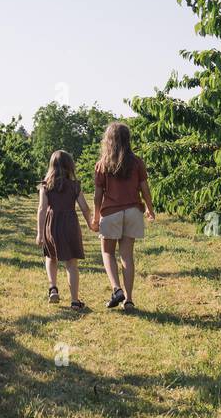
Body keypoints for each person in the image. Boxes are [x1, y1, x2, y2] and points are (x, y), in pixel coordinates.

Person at [92, 123, 155, 311]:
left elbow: (97, 195)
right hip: (133, 211)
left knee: (108, 253)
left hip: (111, 212)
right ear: (128, 140)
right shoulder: (137, 162)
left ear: (108, 140)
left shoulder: (102, 164)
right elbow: (145, 189)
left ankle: (116, 289)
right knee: (127, 256)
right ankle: (128, 300)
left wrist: (96, 217)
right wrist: (150, 209)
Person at [36, 150, 97, 310]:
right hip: (70, 223)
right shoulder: (75, 186)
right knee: (71, 264)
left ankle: (53, 288)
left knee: (51, 256)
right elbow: (85, 207)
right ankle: (75, 301)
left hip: (52, 223)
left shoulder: (45, 186)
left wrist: (40, 233)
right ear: (70, 166)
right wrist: (91, 223)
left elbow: (42, 209)